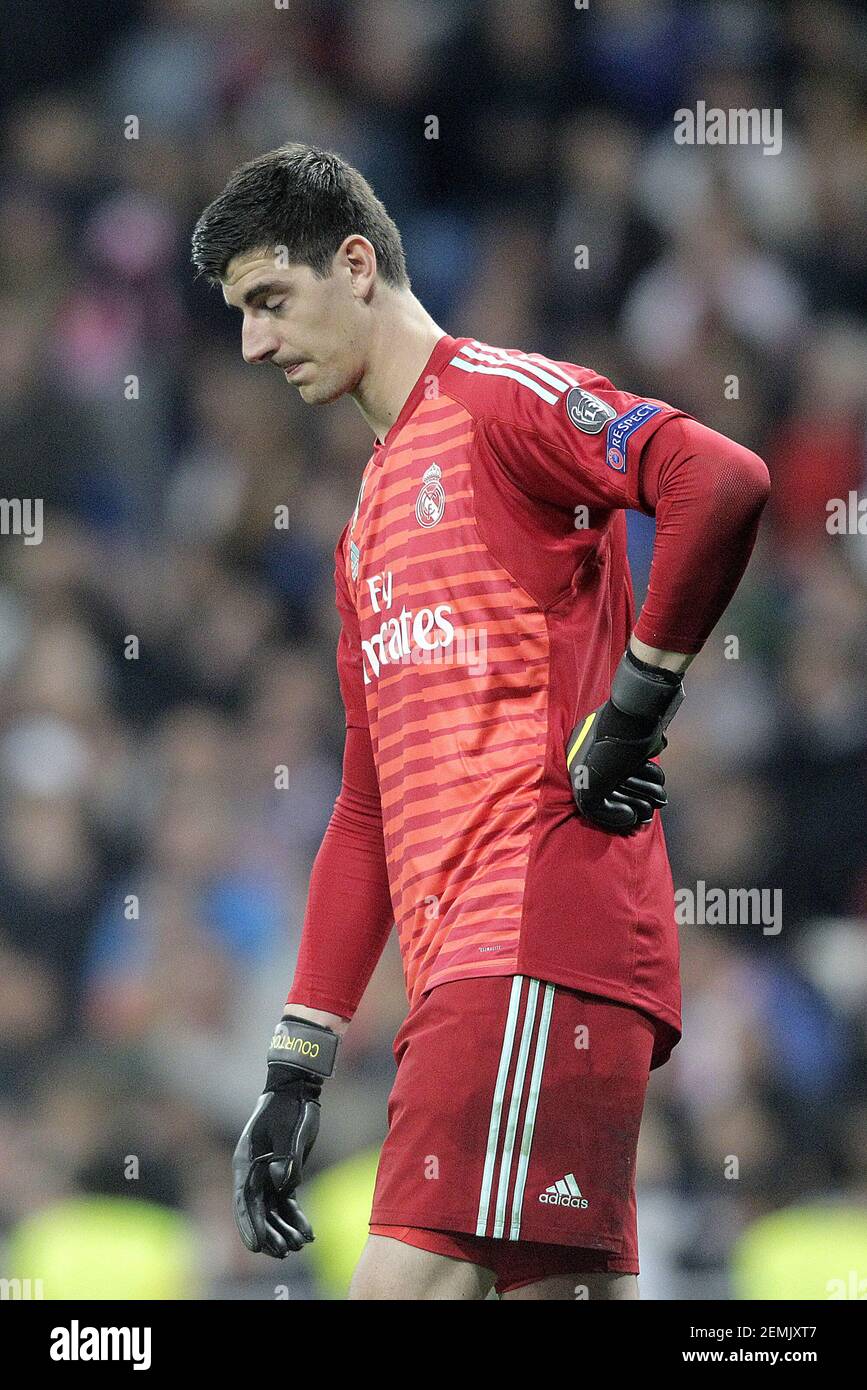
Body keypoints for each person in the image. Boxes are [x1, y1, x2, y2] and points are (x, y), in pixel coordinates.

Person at [191, 143, 770, 1301]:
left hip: (531, 949)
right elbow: (366, 811)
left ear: (355, 264)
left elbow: (723, 477)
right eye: (240, 315)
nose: (253, 343)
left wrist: (636, 700)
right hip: (485, 977)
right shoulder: (363, 532)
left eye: (270, 300)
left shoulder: (501, 399)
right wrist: (298, 1062)